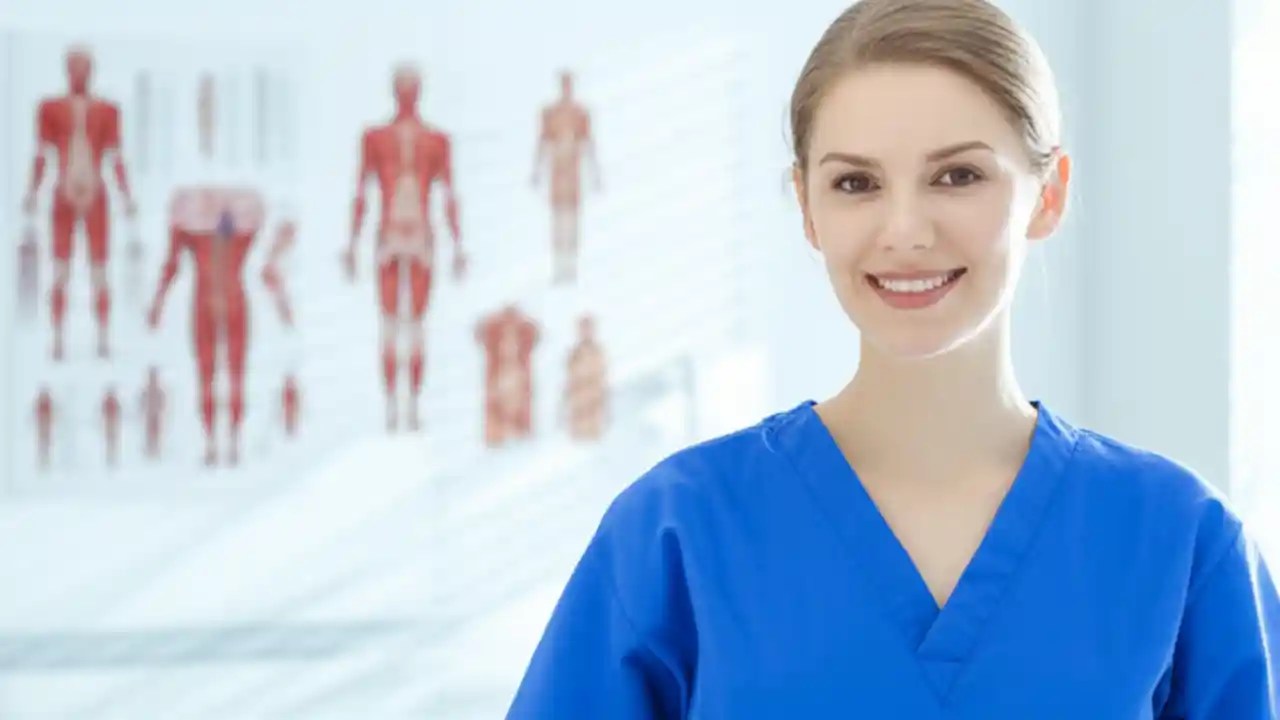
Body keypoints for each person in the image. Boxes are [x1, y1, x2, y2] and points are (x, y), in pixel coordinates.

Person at [504, 1, 1280, 717]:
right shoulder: (678, 532)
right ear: (807, 207)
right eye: (856, 183)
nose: (904, 229)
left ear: (1048, 194)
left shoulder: (1179, 541)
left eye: (958, 175)